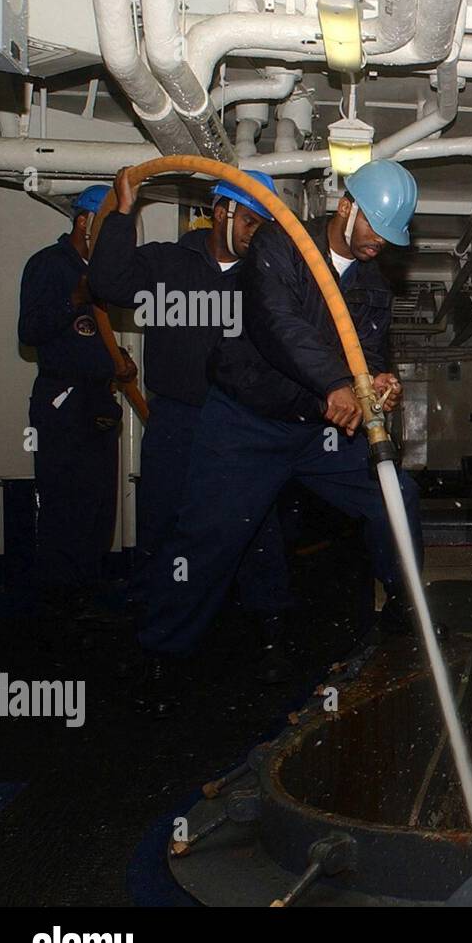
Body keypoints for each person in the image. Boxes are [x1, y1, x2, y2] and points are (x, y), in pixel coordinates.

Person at [133, 159, 423, 717]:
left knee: (396, 497)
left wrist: (380, 384)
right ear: (346, 207)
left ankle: (402, 604)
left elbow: (372, 354)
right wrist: (338, 383)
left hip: (318, 432)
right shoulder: (278, 244)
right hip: (246, 421)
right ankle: (162, 652)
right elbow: (276, 326)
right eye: (375, 231)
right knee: (206, 540)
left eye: (391, 238)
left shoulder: (374, 287)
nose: (379, 246)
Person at [89, 169, 294, 683]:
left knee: (256, 527)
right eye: (249, 220)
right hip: (179, 420)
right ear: (221, 211)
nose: (255, 233)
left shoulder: (264, 278)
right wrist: (123, 211)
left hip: (245, 426)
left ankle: (269, 628)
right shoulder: (166, 263)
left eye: (264, 225)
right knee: (163, 525)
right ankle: (156, 642)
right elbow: (106, 283)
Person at [18, 185, 131, 620]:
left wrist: (119, 362)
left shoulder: (99, 271)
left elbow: (94, 335)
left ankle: (89, 589)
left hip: (98, 398)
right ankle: (59, 603)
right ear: (84, 222)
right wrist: (74, 300)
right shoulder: (48, 265)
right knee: (65, 498)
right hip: (62, 399)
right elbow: (29, 332)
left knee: (99, 499)